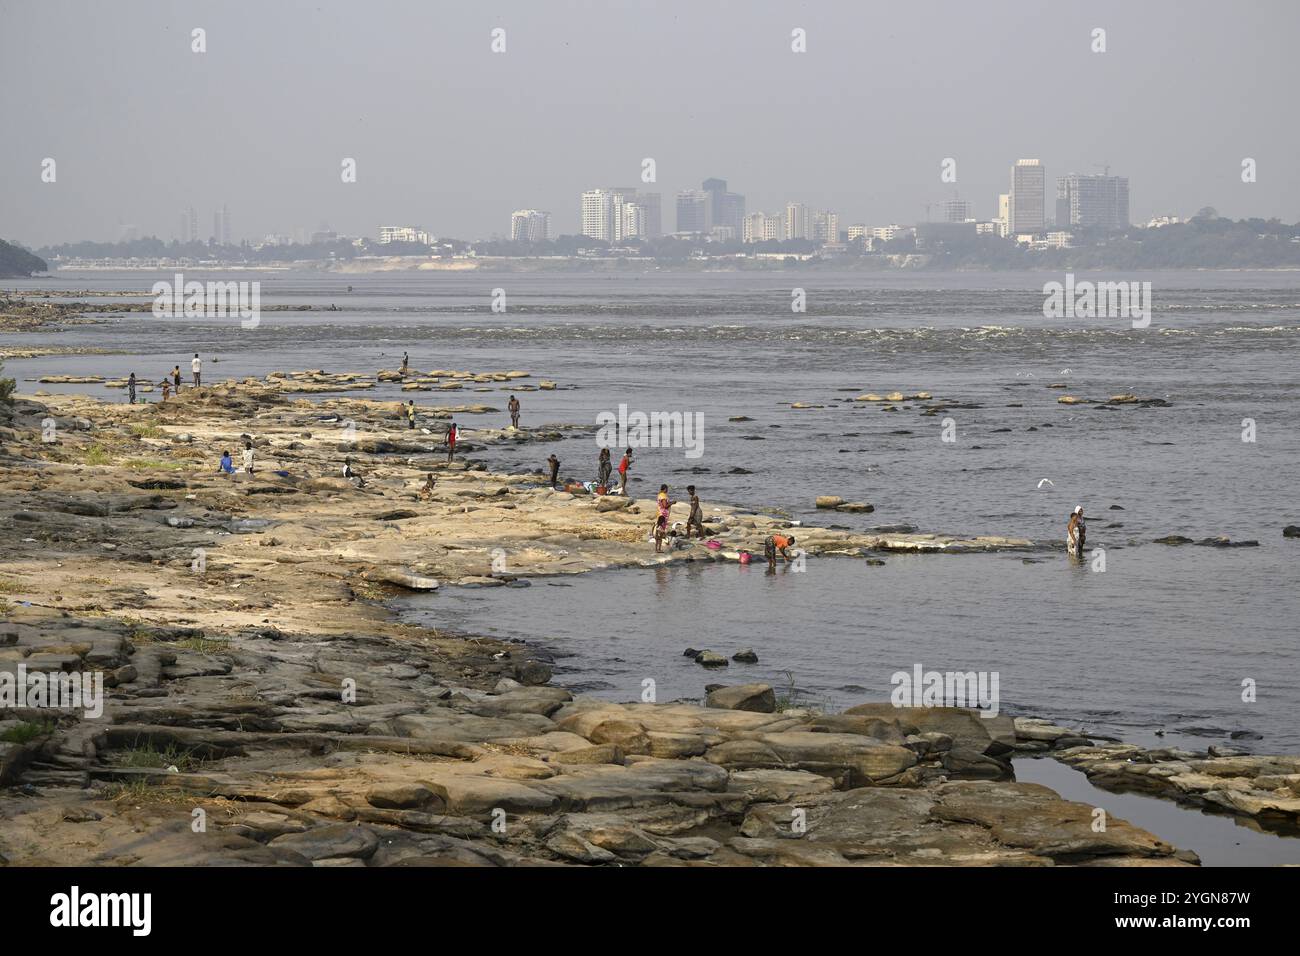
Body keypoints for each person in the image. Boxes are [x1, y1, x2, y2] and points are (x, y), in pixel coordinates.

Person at [653, 484, 672, 552]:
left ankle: (657, 548)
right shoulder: (663, 496)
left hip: (660, 513)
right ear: (665, 489)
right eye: (667, 489)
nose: (667, 490)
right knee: (660, 532)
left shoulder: (659, 495)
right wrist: (672, 503)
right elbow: (665, 506)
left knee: (658, 531)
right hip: (663, 515)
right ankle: (658, 549)